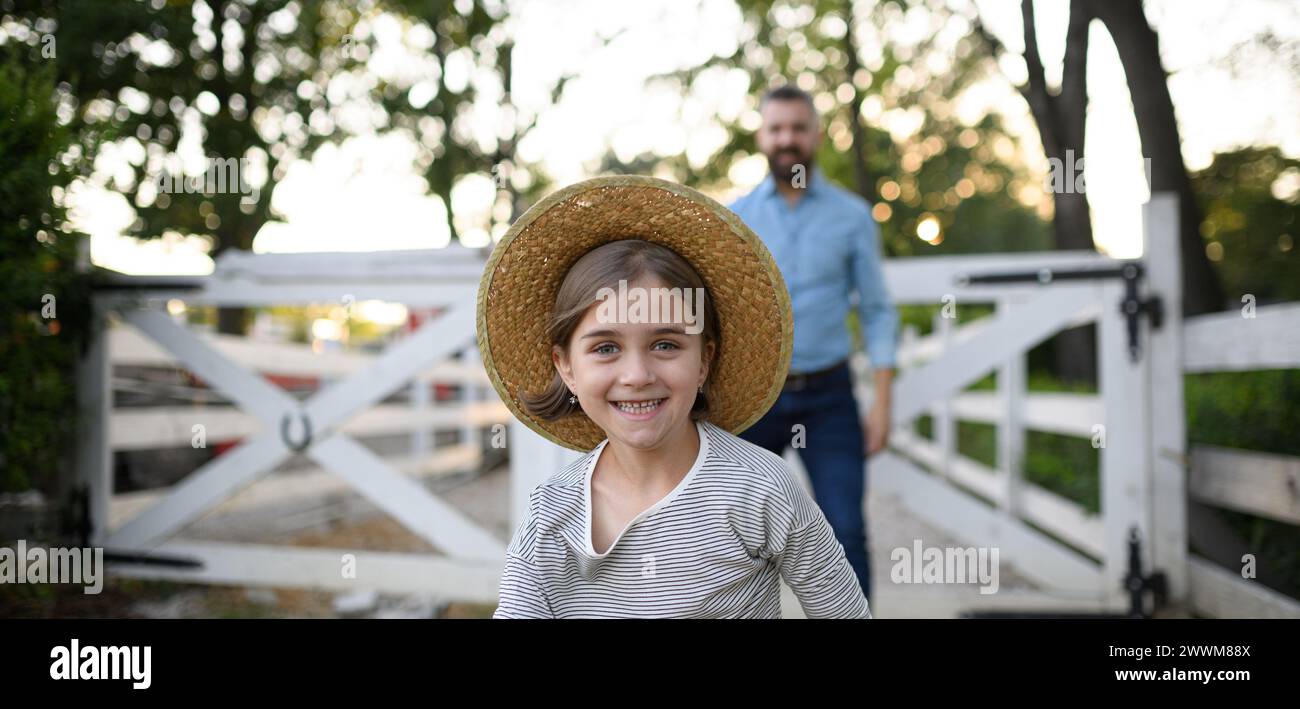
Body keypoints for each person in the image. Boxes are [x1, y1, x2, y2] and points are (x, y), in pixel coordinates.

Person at [477, 175, 871, 618]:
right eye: (606, 348)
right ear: (565, 366)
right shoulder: (549, 516)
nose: (637, 374)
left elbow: (843, 610)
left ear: (704, 359)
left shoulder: (760, 488)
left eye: (665, 344)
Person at [727, 84, 899, 607]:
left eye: (798, 128)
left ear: (817, 135)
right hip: (757, 398)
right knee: (736, 536)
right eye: (776, 128)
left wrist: (883, 402)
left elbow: (875, 310)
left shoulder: (852, 216)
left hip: (831, 398)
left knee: (846, 529)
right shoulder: (735, 218)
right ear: (761, 136)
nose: (787, 139)